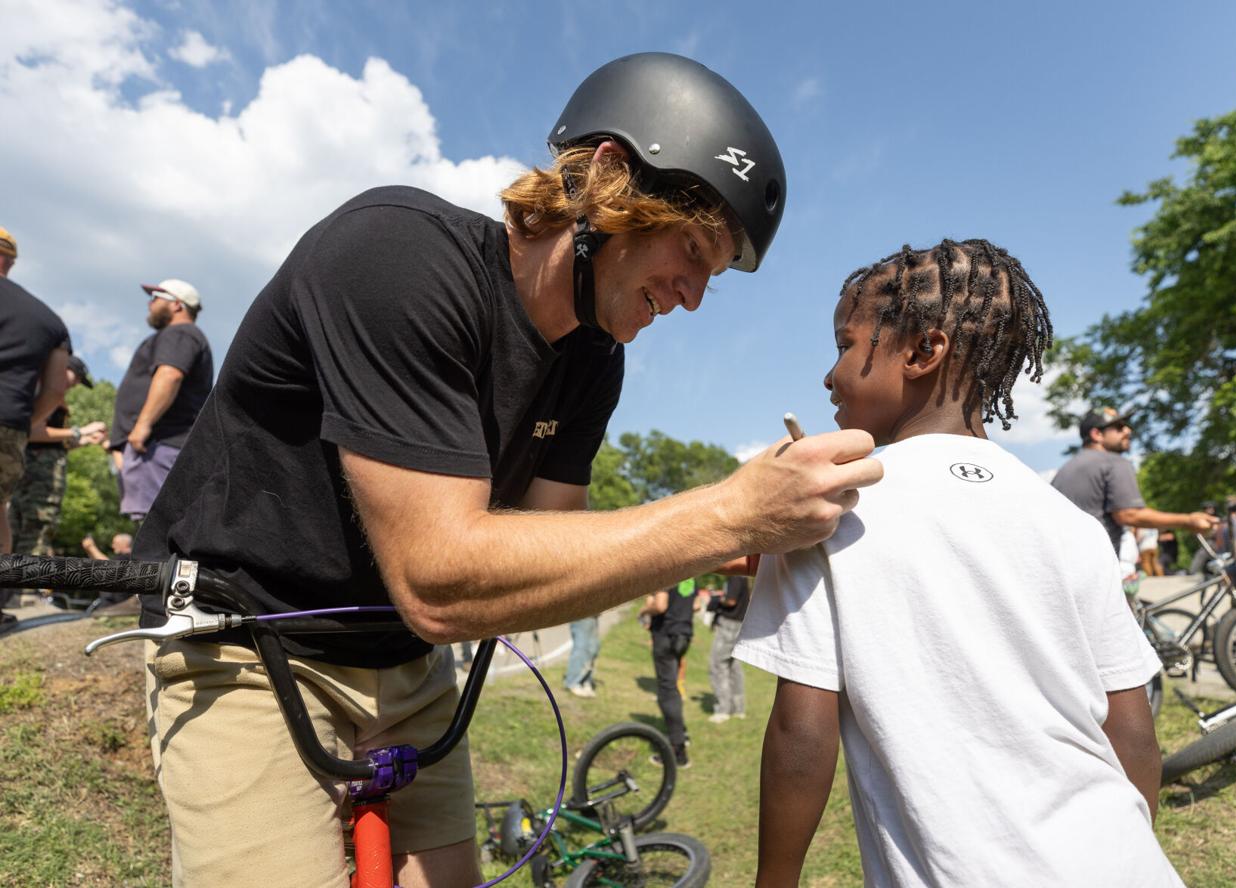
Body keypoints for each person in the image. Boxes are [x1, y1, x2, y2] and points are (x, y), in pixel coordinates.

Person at [131, 53, 881, 888]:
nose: (695, 296)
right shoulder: (397, 254)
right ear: (609, 176)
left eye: (713, 272)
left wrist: (748, 541)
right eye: (693, 248)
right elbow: (441, 578)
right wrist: (729, 514)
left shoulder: (594, 359)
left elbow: (551, 553)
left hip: (406, 664)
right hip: (248, 642)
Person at [734, 239, 1183, 887]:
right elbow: (1133, 732)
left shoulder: (821, 509)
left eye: (844, 345)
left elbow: (800, 734)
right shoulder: (1067, 522)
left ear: (922, 351)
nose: (827, 375)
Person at [0, 226, 70, 623]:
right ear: (9, 261)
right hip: (8, 421)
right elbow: (56, 389)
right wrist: (27, 424)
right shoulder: (47, 318)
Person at [1052, 407, 1217, 564]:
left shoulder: (1065, 470)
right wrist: (1188, 521)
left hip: (1061, 568)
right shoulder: (1113, 462)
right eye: (1118, 427)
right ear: (1097, 434)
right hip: (1093, 569)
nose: (1127, 431)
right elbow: (1129, 515)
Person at [108, 278, 213, 521]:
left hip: (158, 445)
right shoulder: (180, 335)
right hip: (154, 446)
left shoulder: (182, 333)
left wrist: (142, 426)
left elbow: (170, 374)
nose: (150, 304)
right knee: (153, 527)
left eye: (156, 298)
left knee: (158, 527)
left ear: (177, 305)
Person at [9, 355, 105, 563]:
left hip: (37, 469)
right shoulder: (45, 392)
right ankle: (25, 591)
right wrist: (80, 431)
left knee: (26, 527)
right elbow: (34, 432)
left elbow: (52, 441)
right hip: (36, 474)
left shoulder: (51, 395)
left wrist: (84, 439)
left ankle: (14, 590)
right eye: (76, 377)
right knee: (35, 527)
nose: (75, 383)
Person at [640, 578, 698, 767]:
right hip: (684, 634)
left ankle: (677, 751)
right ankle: (681, 732)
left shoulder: (669, 570)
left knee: (667, 690)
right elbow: (696, 605)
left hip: (666, 634)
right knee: (672, 685)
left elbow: (661, 605)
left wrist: (644, 611)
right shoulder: (692, 573)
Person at [707, 573, 749, 723]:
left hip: (729, 626)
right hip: (738, 625)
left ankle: (722, 710)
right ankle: (738, 709)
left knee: (717, 665)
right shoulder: (742, 577)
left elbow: (730, 601)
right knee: (733, 667)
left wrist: (717, 600)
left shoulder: (735, 577)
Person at [563, 614, 600, 698]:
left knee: (593, 648)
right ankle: (573, 682)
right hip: (582, 614)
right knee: (582, 648)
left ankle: (585, 681)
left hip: (593, 615)